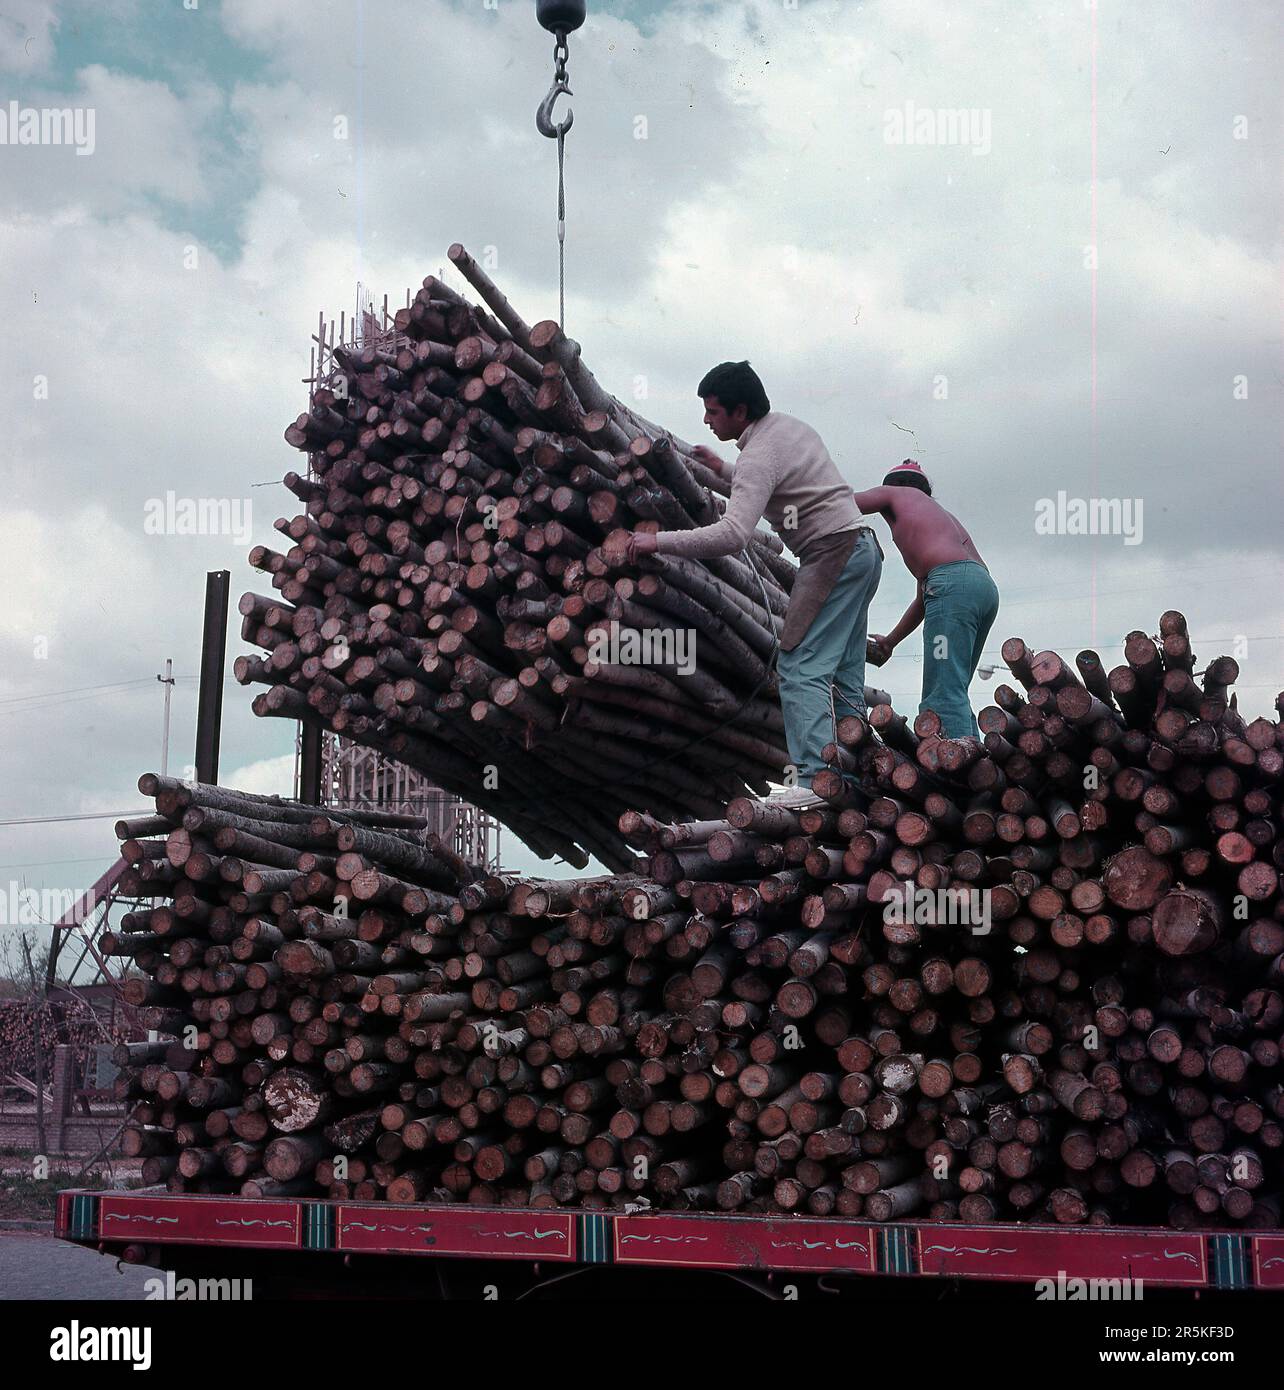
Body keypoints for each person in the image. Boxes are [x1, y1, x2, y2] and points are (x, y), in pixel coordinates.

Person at [625, 361, 881, 799]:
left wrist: (657, 542)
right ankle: (857, 778)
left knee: (799, 667)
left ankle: (817, 779)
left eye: (713, 411)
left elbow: (732, 534)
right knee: (843, 676)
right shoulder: (785, 428)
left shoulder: (758, 455)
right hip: (863, 550)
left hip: (831, 554)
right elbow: (776, 483)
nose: (706, 420)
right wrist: (725, 470)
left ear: (740, 411)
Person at [854, 460, 999, 740]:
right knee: (953, 687)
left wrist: (795, 504)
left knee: (942, 693)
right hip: (981, 589)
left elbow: (841, 504)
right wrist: (891, 641)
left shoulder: (896, 494)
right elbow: (927, 595)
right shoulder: (940, 520)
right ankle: (975, 758)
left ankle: (953, 770)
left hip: (952, 588)